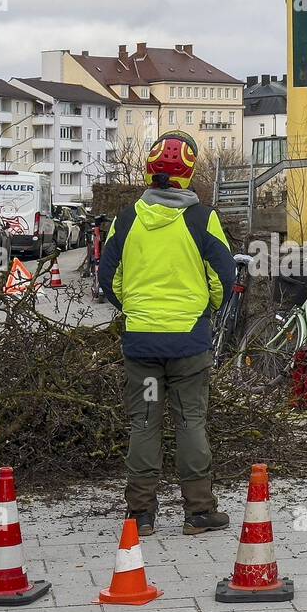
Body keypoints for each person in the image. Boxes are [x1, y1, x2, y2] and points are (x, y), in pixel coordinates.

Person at [99, 130, 236, 536]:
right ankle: (198, 512)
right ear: (189, 172)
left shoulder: (126, 219)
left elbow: (108, 277)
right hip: (188, 343)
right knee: (190, 420)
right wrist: (204, 309)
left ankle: (140, 514)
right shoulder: (202, 218)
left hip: (142, 344)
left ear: (150, 170)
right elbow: (224, 277)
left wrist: (133, 308)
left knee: (145, 421)